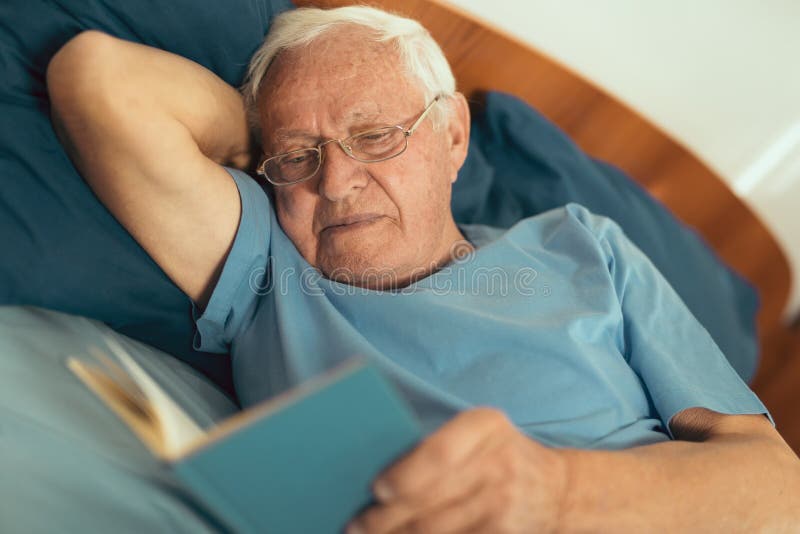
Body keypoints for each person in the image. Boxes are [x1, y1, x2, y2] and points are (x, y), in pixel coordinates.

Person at [47, 5, 799, 532]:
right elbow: (99, 79)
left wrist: (558, 495)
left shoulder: (583, 245)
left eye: (375, 135)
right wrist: (267, 146)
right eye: (300, 156)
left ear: (453, 137)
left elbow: (778, 491)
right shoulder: (271, 262)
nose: (335, 183)